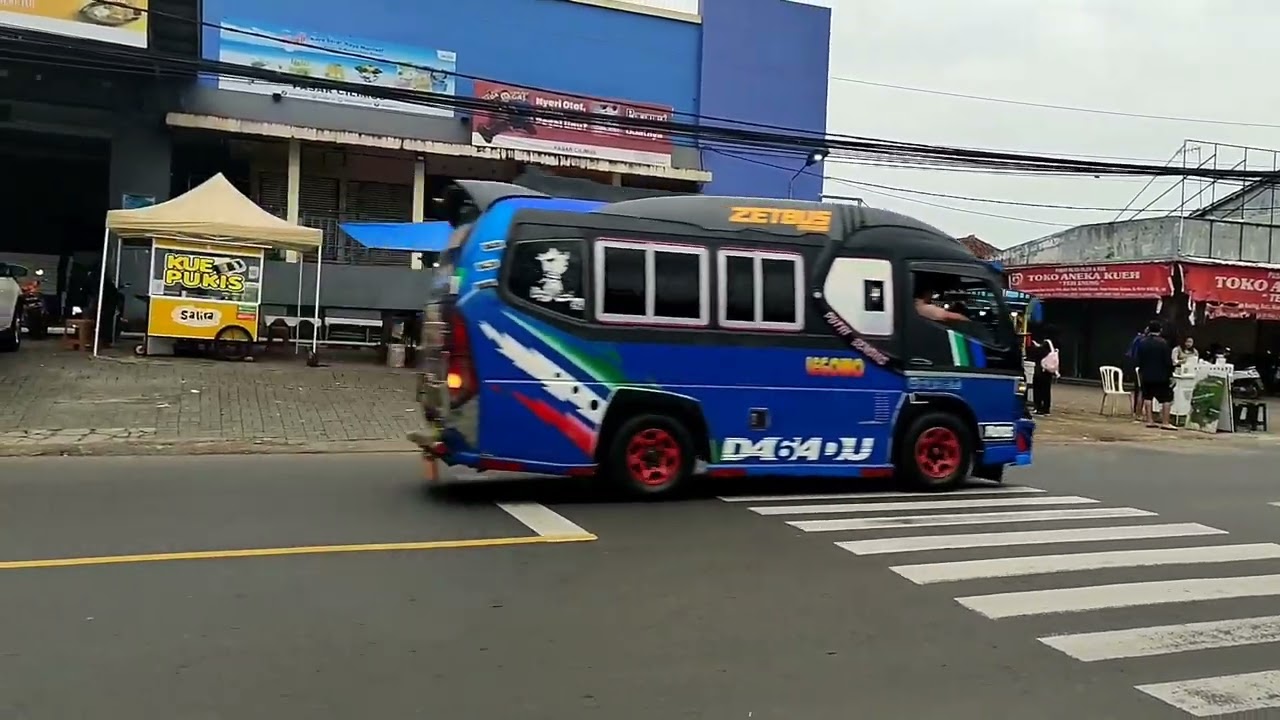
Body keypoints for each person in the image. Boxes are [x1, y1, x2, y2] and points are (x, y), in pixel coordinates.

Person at [1135, 321, 1176, 430]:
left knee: (1148, 397)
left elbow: (1138, 358)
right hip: (1161, 375)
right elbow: (1168, 361)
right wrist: (1170, 373)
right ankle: (1165, 422)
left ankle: (1150, 420)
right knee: (1166, 398)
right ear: (1160, 330)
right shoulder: (1163, 343)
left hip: (1146, 374)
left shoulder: (1142, 342)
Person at [1027, 330, 1058, 415]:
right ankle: (1046, 408)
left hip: (1039, 372)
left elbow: (1034, 354)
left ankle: (1038, 407)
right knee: (1046, 391)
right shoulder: (1052, 348)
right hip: (1048, 372)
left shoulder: (1041, 348)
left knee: (1038, 390)